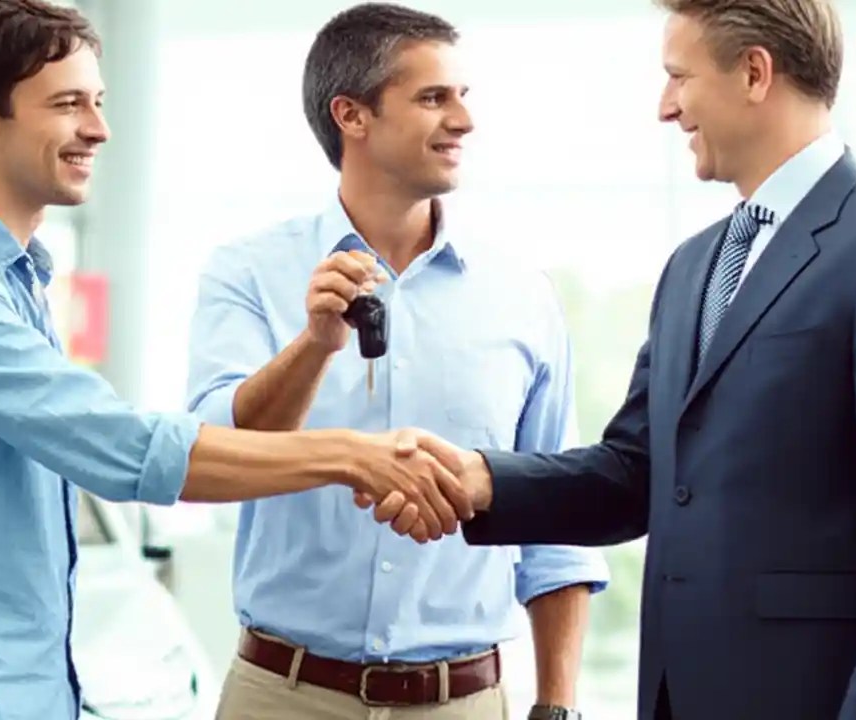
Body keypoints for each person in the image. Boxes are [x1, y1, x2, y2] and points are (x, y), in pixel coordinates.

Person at [0, 1, 470, 718]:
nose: (99, 129)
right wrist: (354, 456)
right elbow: (118, 447)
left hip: (19, 692)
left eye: (98, 102)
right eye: (68, 105)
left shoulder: (11, 275)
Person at [378, 1, 856, 718]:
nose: (666, 107)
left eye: (679, 76)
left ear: (755, 73)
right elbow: (638, 473)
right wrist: (482, 480)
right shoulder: (693, 266)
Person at [185, 4, 609, 719]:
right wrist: (315, 345)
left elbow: (557, 519)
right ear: (351, 115)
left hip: (463, 701)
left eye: (463, 96)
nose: (464, 121)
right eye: (434, 97)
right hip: (281, 697)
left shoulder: (523, 296)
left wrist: (558, 705)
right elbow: (216, 459)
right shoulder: (248, 272)